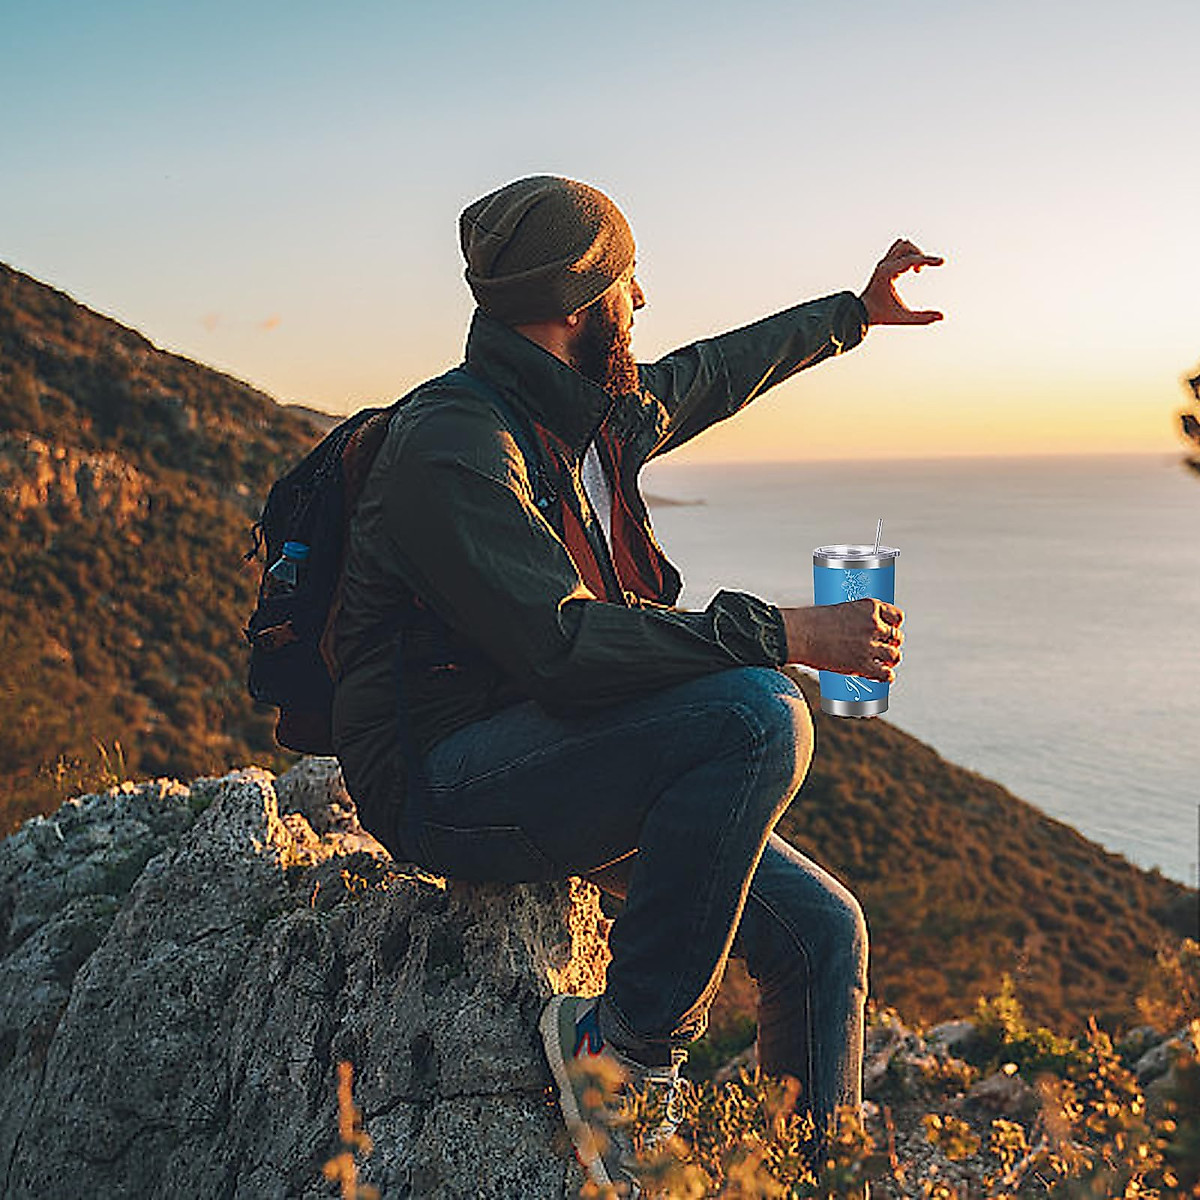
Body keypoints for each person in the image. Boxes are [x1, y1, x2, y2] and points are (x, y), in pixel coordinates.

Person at [329, 175, 941, 1193]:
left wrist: (854, 315)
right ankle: (622, 1057)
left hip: (564, 751)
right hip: (448, 784)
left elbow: (714, 372)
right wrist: (783, 629)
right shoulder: (455, 445)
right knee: (758, 715)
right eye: (629, 280)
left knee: (825, 934)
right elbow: (562, 650)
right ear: (577, 306)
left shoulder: (592, 410)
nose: (645, 301)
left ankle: (808, 1180)